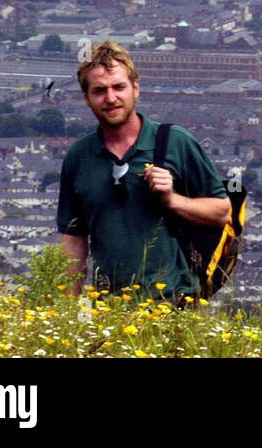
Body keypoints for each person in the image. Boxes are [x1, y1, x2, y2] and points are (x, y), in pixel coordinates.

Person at [58, 40, 229, 302]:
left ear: (136, 88)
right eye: (99, 90)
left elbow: (222, 212)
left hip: (173, 302)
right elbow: (74, 238)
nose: (111, 98)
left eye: (119, 87)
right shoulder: (78, 157)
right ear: (86, 99)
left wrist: (172, 200)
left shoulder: (175, 142)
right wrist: (67, 310)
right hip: (109, 307)